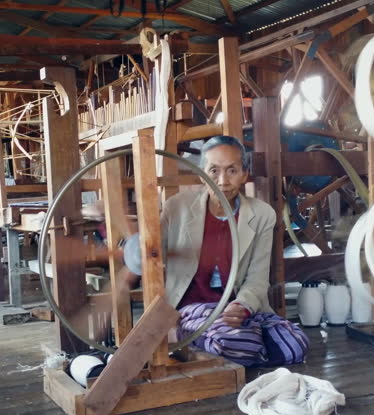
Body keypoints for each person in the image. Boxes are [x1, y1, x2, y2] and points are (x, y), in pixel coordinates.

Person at [125, 136, 308, 367]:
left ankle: (240, 342)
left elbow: (258, 278)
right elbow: (149, 253)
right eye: (213, 170)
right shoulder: (177, 207)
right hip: (193, 310)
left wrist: (242, 306)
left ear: (244, 174)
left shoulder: (262, 215)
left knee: (295, 344)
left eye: (232, 170)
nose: (222, 181)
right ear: (201, 173)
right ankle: (224, 340)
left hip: (238, 310)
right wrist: (133, 248)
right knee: (232, 340)